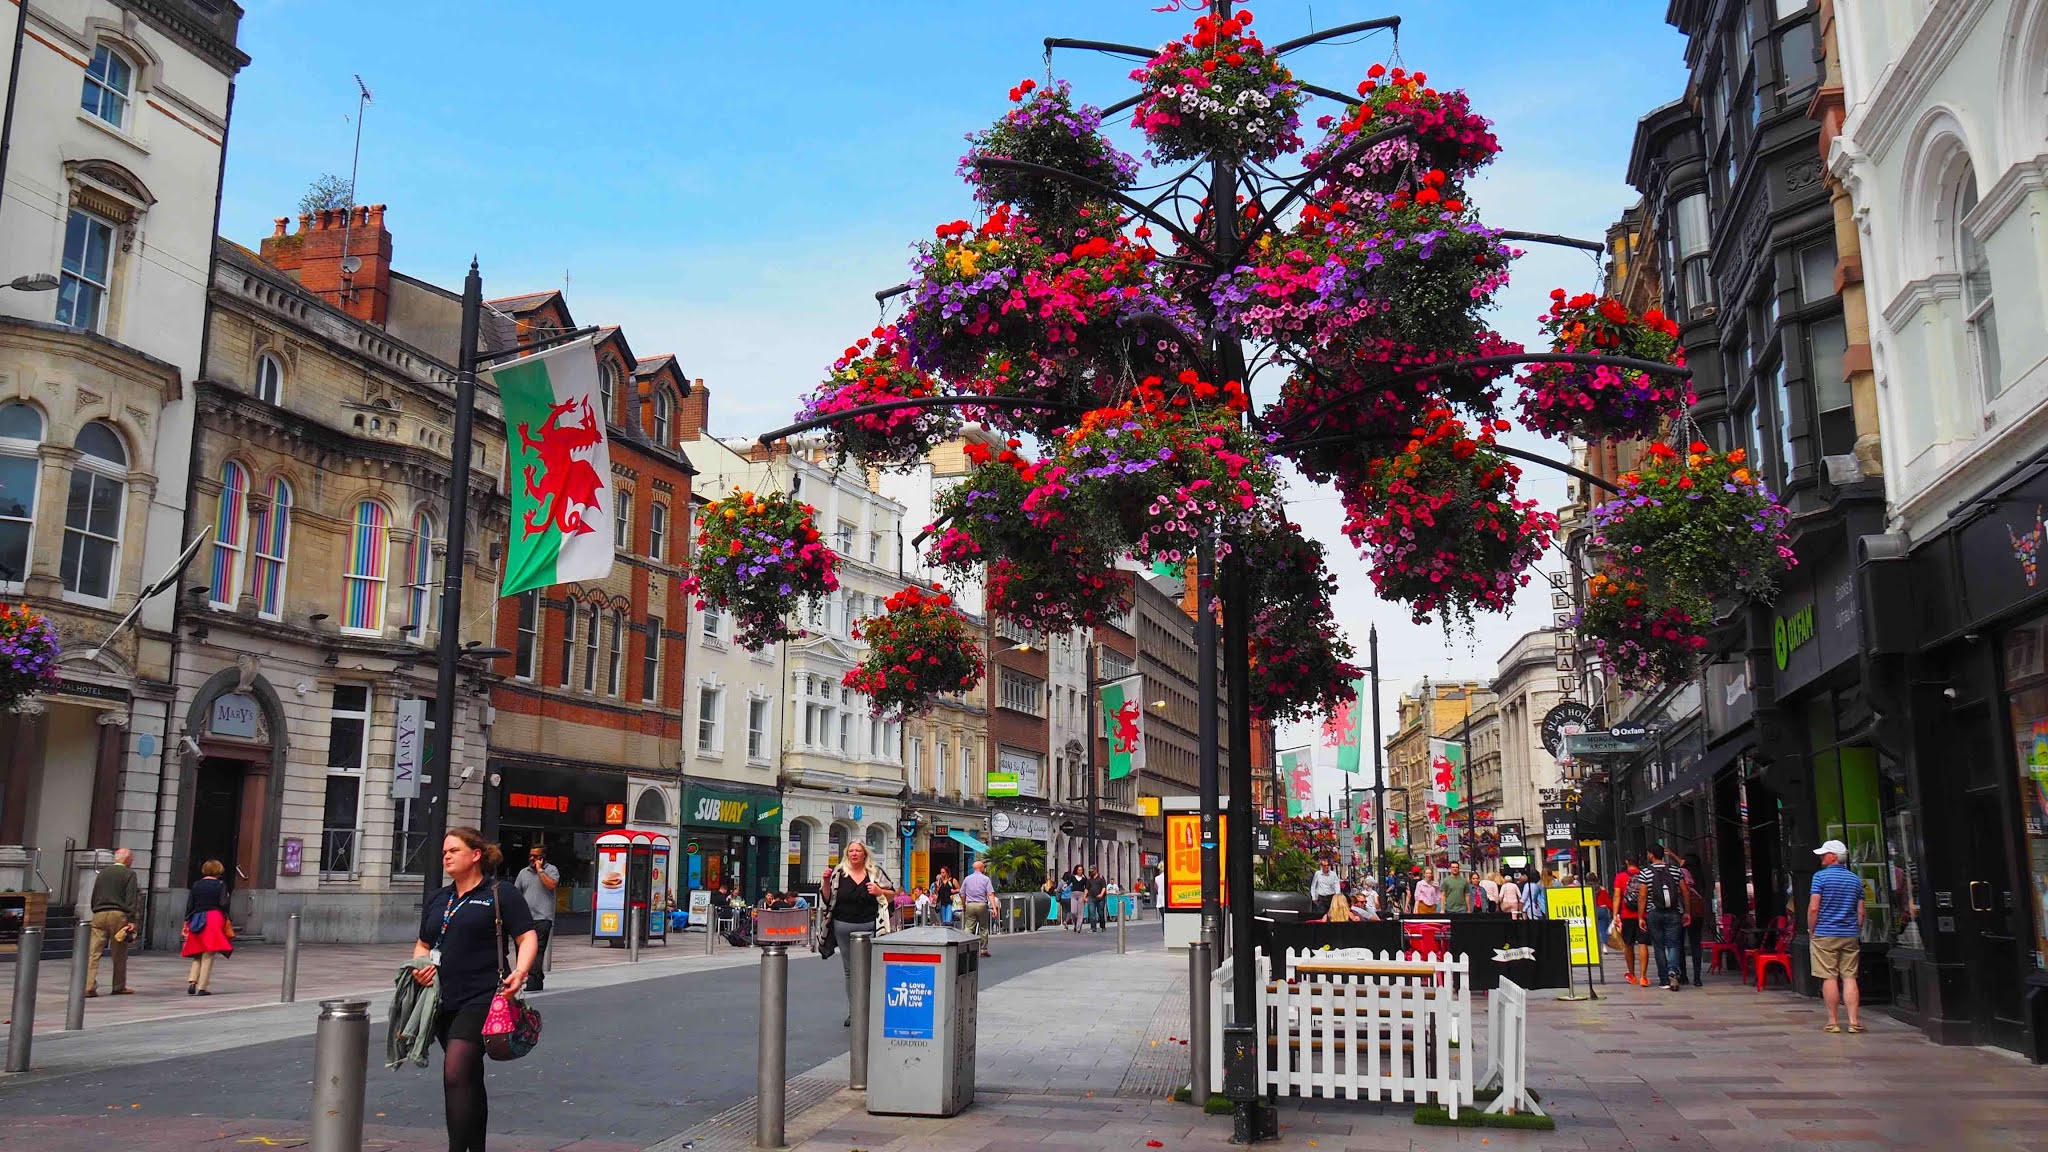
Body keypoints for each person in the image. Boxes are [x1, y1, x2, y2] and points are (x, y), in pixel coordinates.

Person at [412, 828, 538, 1152]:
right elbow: (423, 943)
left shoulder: (499, 893)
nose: (447, 856)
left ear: (476, 855)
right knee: (467, 1077)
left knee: (455, 1071)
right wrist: (419, 968)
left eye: (454, 850)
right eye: (444, 852)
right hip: (443, 1000)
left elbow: (526, 936)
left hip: (484, 996)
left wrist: (521, 972)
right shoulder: (439, 898)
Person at [818, 841, 896, 1027]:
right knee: (850, 970)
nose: (854, 854)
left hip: (870, 925)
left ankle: (871, 1009)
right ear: (847, 853)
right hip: (843, 925)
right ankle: (855, 1012)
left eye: (858, 851)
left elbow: (892, 894)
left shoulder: (875, 872)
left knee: (871, 968)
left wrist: (879, 891)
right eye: (851, 851)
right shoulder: (839, 872)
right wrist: (826, 881)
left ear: (864, 854)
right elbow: (827, 899)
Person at [1808, 839, 1866, 1033]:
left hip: (1825, 933)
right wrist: (1855, 929)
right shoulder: (1855, 880)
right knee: (1850, 977)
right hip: (1849, 934)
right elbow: (1861, 912)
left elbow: (1814, 907)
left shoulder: (1820, 878)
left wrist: (1811, 929)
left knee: (1829, 977)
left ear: (1833, 857)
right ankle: (1853, 1021)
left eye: (1824, 854)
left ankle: (1833, 1022)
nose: (1821, 857)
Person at [1635, 845, 1693, 991]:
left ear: (1651, 855)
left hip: (1654, 913)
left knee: (1659, 946)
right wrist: (1687, 911)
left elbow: (1642, 895)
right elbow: (1685, 891)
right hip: (1674, 912)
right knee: (1673, 944)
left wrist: (1641, 916)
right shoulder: (1675, 870)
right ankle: (1673, 970)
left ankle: (1664, 979)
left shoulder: (1646, 872)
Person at [85, 847, 141, 997]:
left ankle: (88, 986)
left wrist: (95, 909)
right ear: (127, 859)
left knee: (94, 952)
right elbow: (131, 898)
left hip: (99, 913)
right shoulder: (129, 874)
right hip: (119, 915)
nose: (132, 861)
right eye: (132, 858)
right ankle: (118, 985)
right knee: (119, 952)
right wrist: (132, 919)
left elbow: (95, 893)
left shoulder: (103, 873)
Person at [181, 858, 234, 995]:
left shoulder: (196, 885)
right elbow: (223, 903)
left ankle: (192, 981)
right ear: (218, 870)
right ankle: (202, 987)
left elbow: (189, 905)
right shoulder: (220, 884)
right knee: (209, 952)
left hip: (197, 917)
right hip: (214, 917)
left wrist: (187, 920)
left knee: (197, 952)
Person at [514, 845, 559, 992]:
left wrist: (540, 870)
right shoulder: (523, 873)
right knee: (523, 950)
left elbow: (551, 885)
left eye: (536, 856)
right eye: (530, 855)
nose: (532, 858)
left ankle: (534, 982)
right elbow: (516, 894)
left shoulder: (551, 870)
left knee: (537, 950)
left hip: (543, 917)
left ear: (543, 857)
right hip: (525, 918)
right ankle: (534, 979)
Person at [1612, 854, 1645, 984]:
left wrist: (1615, 914)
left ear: (1626, 862)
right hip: (1643, 914)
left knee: (1628, 944)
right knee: (1643, 944)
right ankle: (1643, 976)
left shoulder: (1620, 877)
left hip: (1627, 914)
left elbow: (1617, 896)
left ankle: (1632, 974)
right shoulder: (1644, 874)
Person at [960, 858, 997, 957]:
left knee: (968, 927)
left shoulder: (967, 879)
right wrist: (994, 908)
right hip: (982, 904)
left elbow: (962, 894)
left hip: (970, 904)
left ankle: (966, 947)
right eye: (984, 867)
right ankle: (983, 950)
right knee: (983, 927)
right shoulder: (986, 879)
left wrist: (964, 905)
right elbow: (990, 894)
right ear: (981, 868)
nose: (984, 868)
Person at [1683, 854, 1708, 986]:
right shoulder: (1701, 875)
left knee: (1679, 944)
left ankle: (1683, 975)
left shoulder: (1682, 874)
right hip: (1697, 913)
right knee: (1696, 944)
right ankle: (1697, 977)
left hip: (1684, 912)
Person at [1085, 866, 1109, 932]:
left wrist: (1101, 894)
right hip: (1091, 898)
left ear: (1095, 870)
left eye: (1092, 871)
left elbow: (1104, 887)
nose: (1091, 872)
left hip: (1100, 898)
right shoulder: (1089, 879)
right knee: (1092, 913)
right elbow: (1087, 888)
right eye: (1090, 871)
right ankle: (1093, 928)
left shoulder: (1101, 878)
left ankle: (1102, 926)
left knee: (1100, 913)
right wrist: (1084, 897)